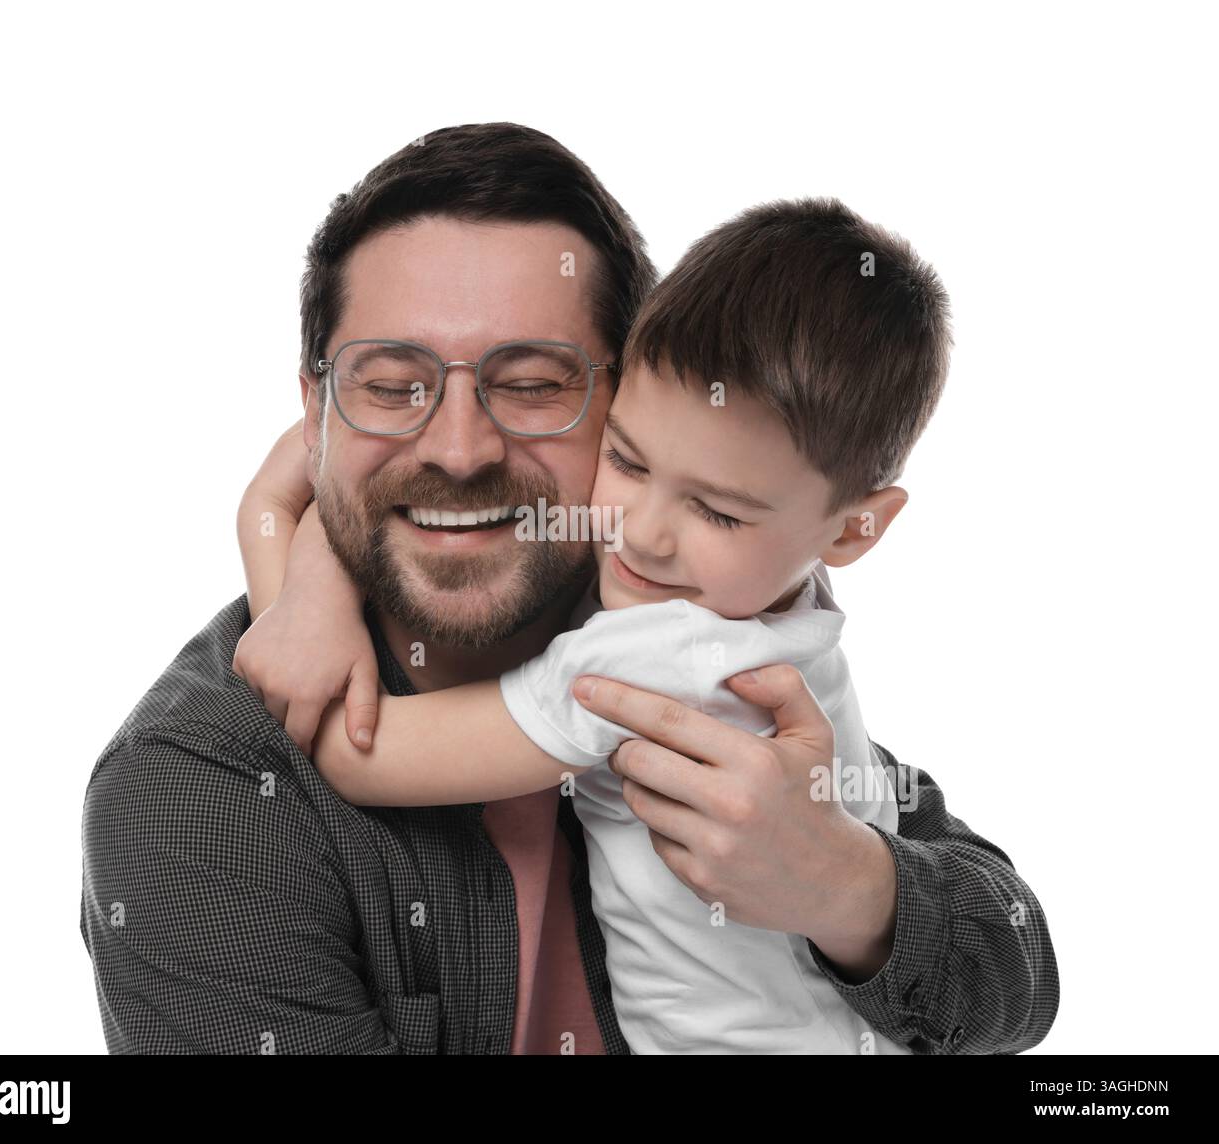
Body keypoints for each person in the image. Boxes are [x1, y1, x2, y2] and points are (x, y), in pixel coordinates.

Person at [80, 122, 1059, 1054]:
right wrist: (300, 585)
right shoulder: (194, 795)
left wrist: (850, 887)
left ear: (625, 394)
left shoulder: (664, 630)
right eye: (390, 385)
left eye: (534, 384)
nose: (457, 449)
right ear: (318, 411)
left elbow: (1016, 962)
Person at [235, 197, 954, 1054]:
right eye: (627, 460)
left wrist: (282, 558)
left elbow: (350, 748)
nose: (640, 531)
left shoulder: (653, 656)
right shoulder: (792, 602)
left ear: (854, 528)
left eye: (718, 514)